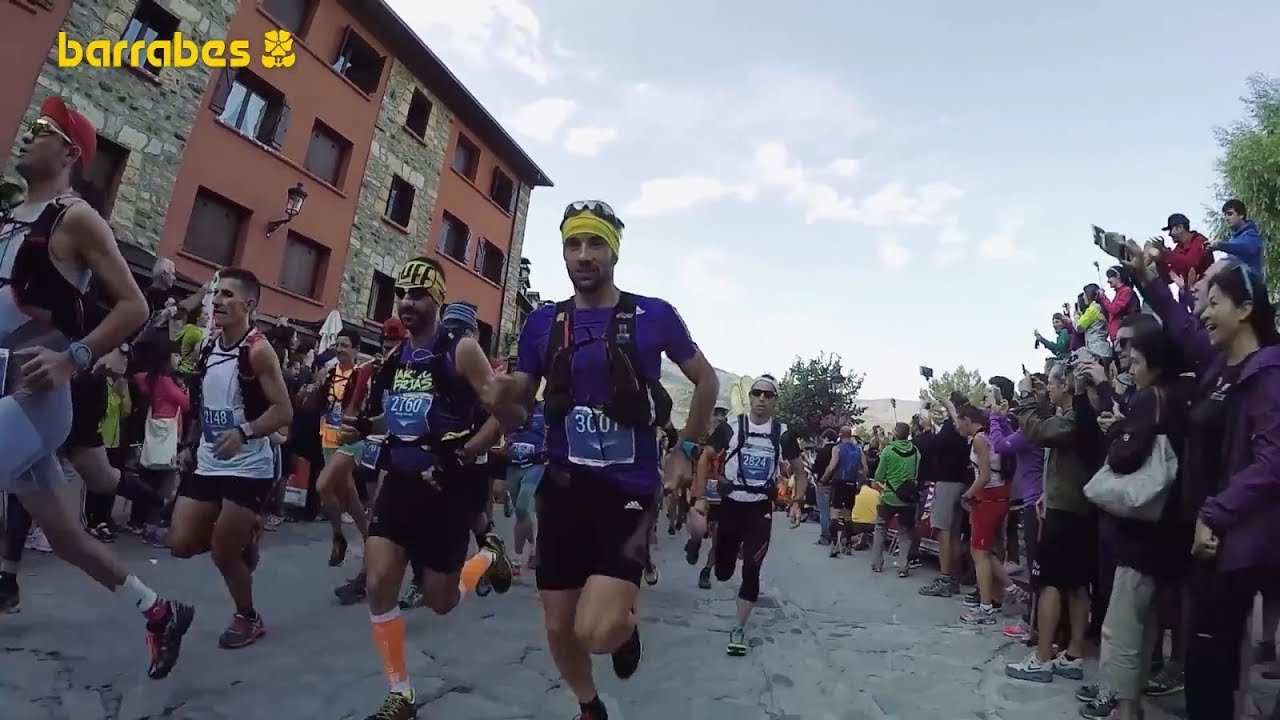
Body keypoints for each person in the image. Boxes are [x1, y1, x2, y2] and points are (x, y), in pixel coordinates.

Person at [484, 200, 720, 720]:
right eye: (574, 244)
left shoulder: (651, 315)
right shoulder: (543, 323)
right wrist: (497, 395)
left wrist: (684, 448)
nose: (584, 254)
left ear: (613, 251)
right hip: (564, 489)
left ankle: (624, 628)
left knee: (595, 631)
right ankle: (590, 708)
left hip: (628, 495)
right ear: (563, 252)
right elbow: (522, 401)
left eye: (595, 244)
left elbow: (706, 379)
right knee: (556, 626)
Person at [0, 96, 193, 677]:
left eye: (41, 130)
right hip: (6, 383)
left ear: (69, 151)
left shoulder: (75, 217)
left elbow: (132, 307)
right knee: (63, 536)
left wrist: (74, 359)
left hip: (36, 394)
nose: (27, 135)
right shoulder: (10, 214)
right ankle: (158, 608)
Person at [343, 256, 517, 720]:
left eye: (418, 294)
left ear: (438, 299)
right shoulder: (395, 359)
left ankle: (487, 558)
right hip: (400, 482)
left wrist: (468, 450)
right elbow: (395, 419)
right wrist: (359, 428)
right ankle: (400, 692)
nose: (407, 303)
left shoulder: (460, 350)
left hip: (445, 488)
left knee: (440, 602)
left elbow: (504, 412)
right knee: (380, 582)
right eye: (402, 293)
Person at [1125, 246, 1280, 719]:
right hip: (1204, 542)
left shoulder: (1267, 373)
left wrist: (1215, 512)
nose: (1203, 311)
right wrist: (1148, 277)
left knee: (1211, 672)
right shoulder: (1218, 366)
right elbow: (1181, 325)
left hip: (1232, 546)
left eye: (1215, 302)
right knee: (1204, 667)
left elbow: (1272, 462)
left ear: (1246, 310)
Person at [170, 268, 292, 649]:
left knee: (223, 553)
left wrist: (243, 433)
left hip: (249, 464)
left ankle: (247, 617)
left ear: (248, 305)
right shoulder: (208, 344)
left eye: (226, 295)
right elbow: (205, 404)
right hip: (208, 458)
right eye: (215, 294)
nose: (217, 301)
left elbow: (283, 411)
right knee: (181, 543)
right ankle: (244, 536)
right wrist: (190, 444)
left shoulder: (258, 350)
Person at [716, 376, 803, 655]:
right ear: (750, 396)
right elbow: (706, 455)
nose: (762, 399)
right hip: (731, 505)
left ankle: (738, 629)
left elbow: (800, 472)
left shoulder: (784, 434)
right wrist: (699, 497)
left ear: (775, 401)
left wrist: (796, 502)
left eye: (768, 395)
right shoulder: (730, 428)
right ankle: (726, 558)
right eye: (757, 393)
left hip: (759, 509)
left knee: (752, 569)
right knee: (723, 571)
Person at [955, 404, 1009, 625]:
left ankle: (985, 608)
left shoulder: (979, 440)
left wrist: (967, 495)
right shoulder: (990, 435)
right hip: (1000, 495)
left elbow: (984, 475)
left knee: (979, 553)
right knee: (988, 551)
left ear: (967, 420)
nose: (958, 426)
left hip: (986, 498)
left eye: (959, 421)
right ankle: (1008, 590)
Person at [869, 422, 919, 576]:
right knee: (905, 532)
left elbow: (879, 475)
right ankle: (903, 566)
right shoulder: (916, 451)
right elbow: (916, 474)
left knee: (880, 528)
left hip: (889, 495)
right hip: (908, 498)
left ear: (896, 434)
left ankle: (877, 563)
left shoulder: (888, 451)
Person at [819, 425, 867, 557]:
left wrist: (823, 479)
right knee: (848, 515)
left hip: (839, 482)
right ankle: (848, 545)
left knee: (834, 513)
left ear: (840, 435)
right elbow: (865, 469)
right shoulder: (858, 449)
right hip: (851, 484)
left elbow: (832, 465)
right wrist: (860, 482)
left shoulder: (837, 448)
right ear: (851, 435)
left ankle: (835, 545)